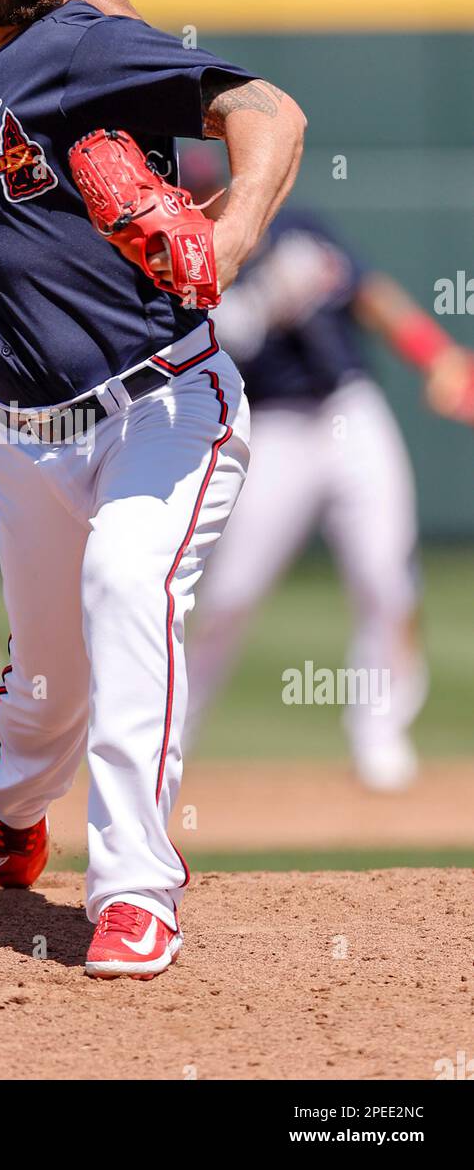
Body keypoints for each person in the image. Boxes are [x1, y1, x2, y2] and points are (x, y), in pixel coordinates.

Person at [0, 0, 306, 979]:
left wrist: (225, 240)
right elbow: (74, 19)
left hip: (158, 403)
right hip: (27, 438)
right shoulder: (9, 69)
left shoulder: (76, 43)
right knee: (46, 695)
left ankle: (134, 890)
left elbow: (266, 110)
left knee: (125, 586)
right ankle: (12, 792)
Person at [175, 147, 474, 790]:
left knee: (386, 576)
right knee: (230, 594)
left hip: (351, 410)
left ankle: (380, 734)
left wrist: (438, 355)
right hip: (275, 428)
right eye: (194, 194)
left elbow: (371, 294)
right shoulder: (181, 274)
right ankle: (171, 737)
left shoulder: (296, 225)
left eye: (213, 188)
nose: (210, 201)